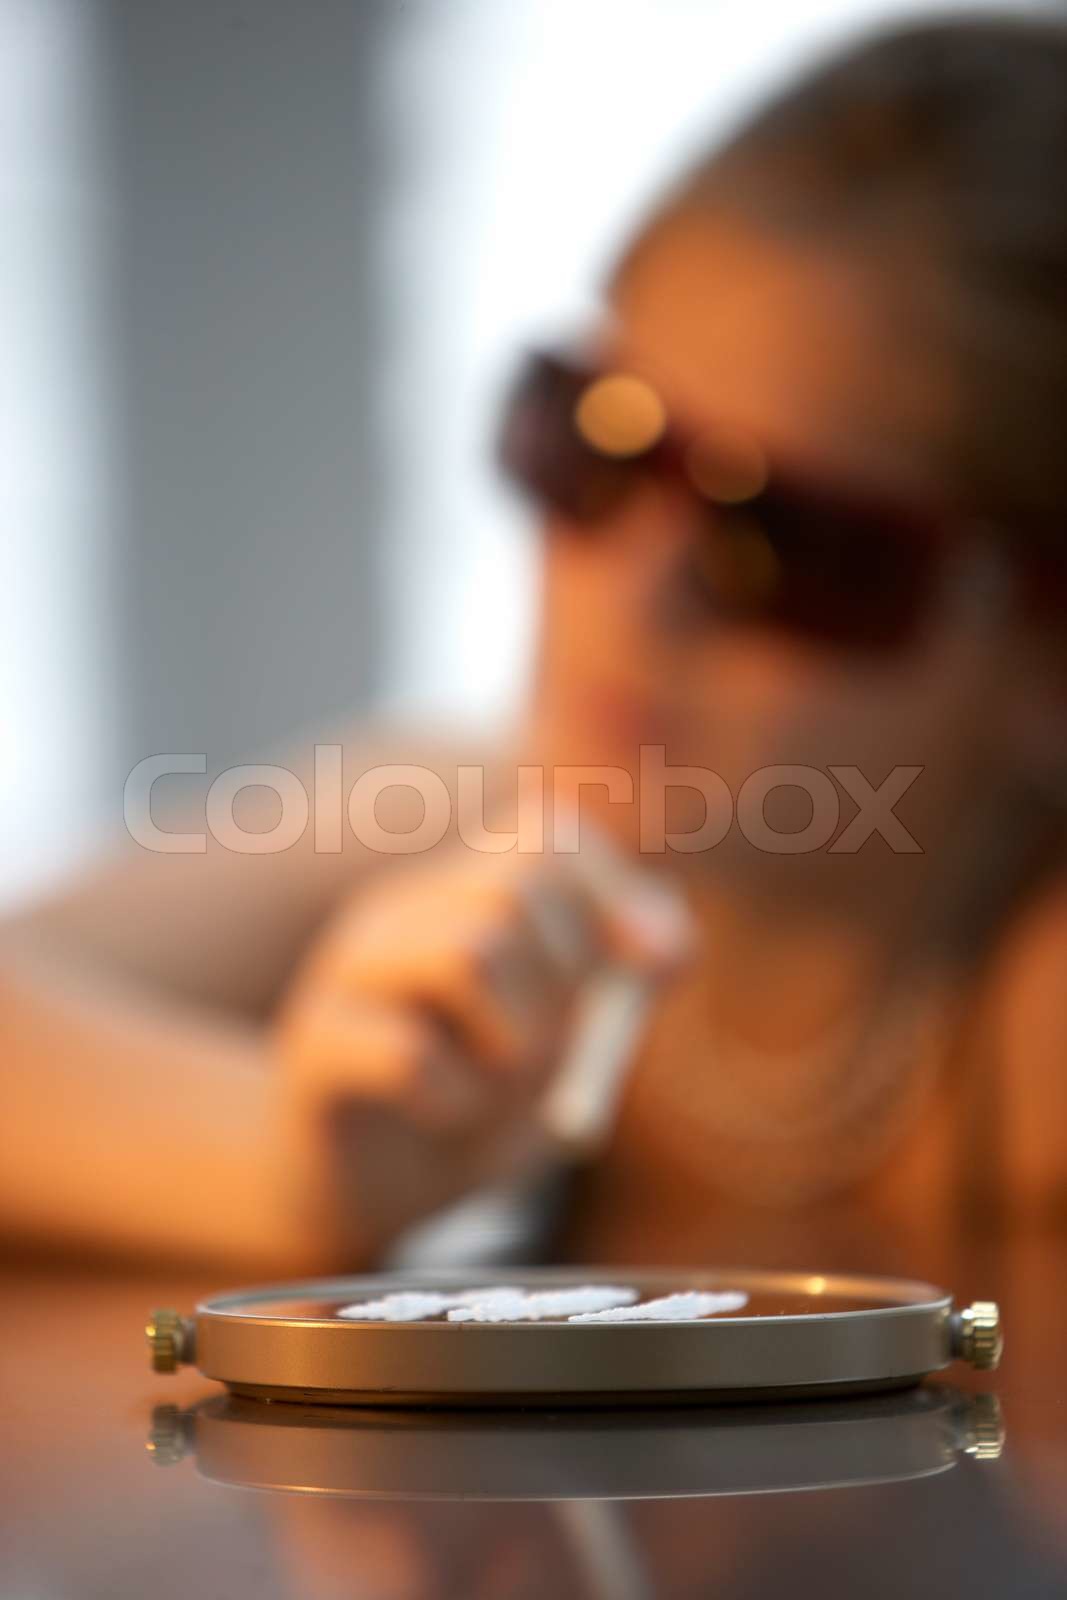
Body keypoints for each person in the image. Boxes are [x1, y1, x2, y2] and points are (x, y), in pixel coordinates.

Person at [2, 12, 1065, 1278]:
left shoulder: (1022, 1006)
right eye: (596, 442)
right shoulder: (461, 816)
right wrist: (287, 1166)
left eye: (782, 539)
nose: (629, 593)